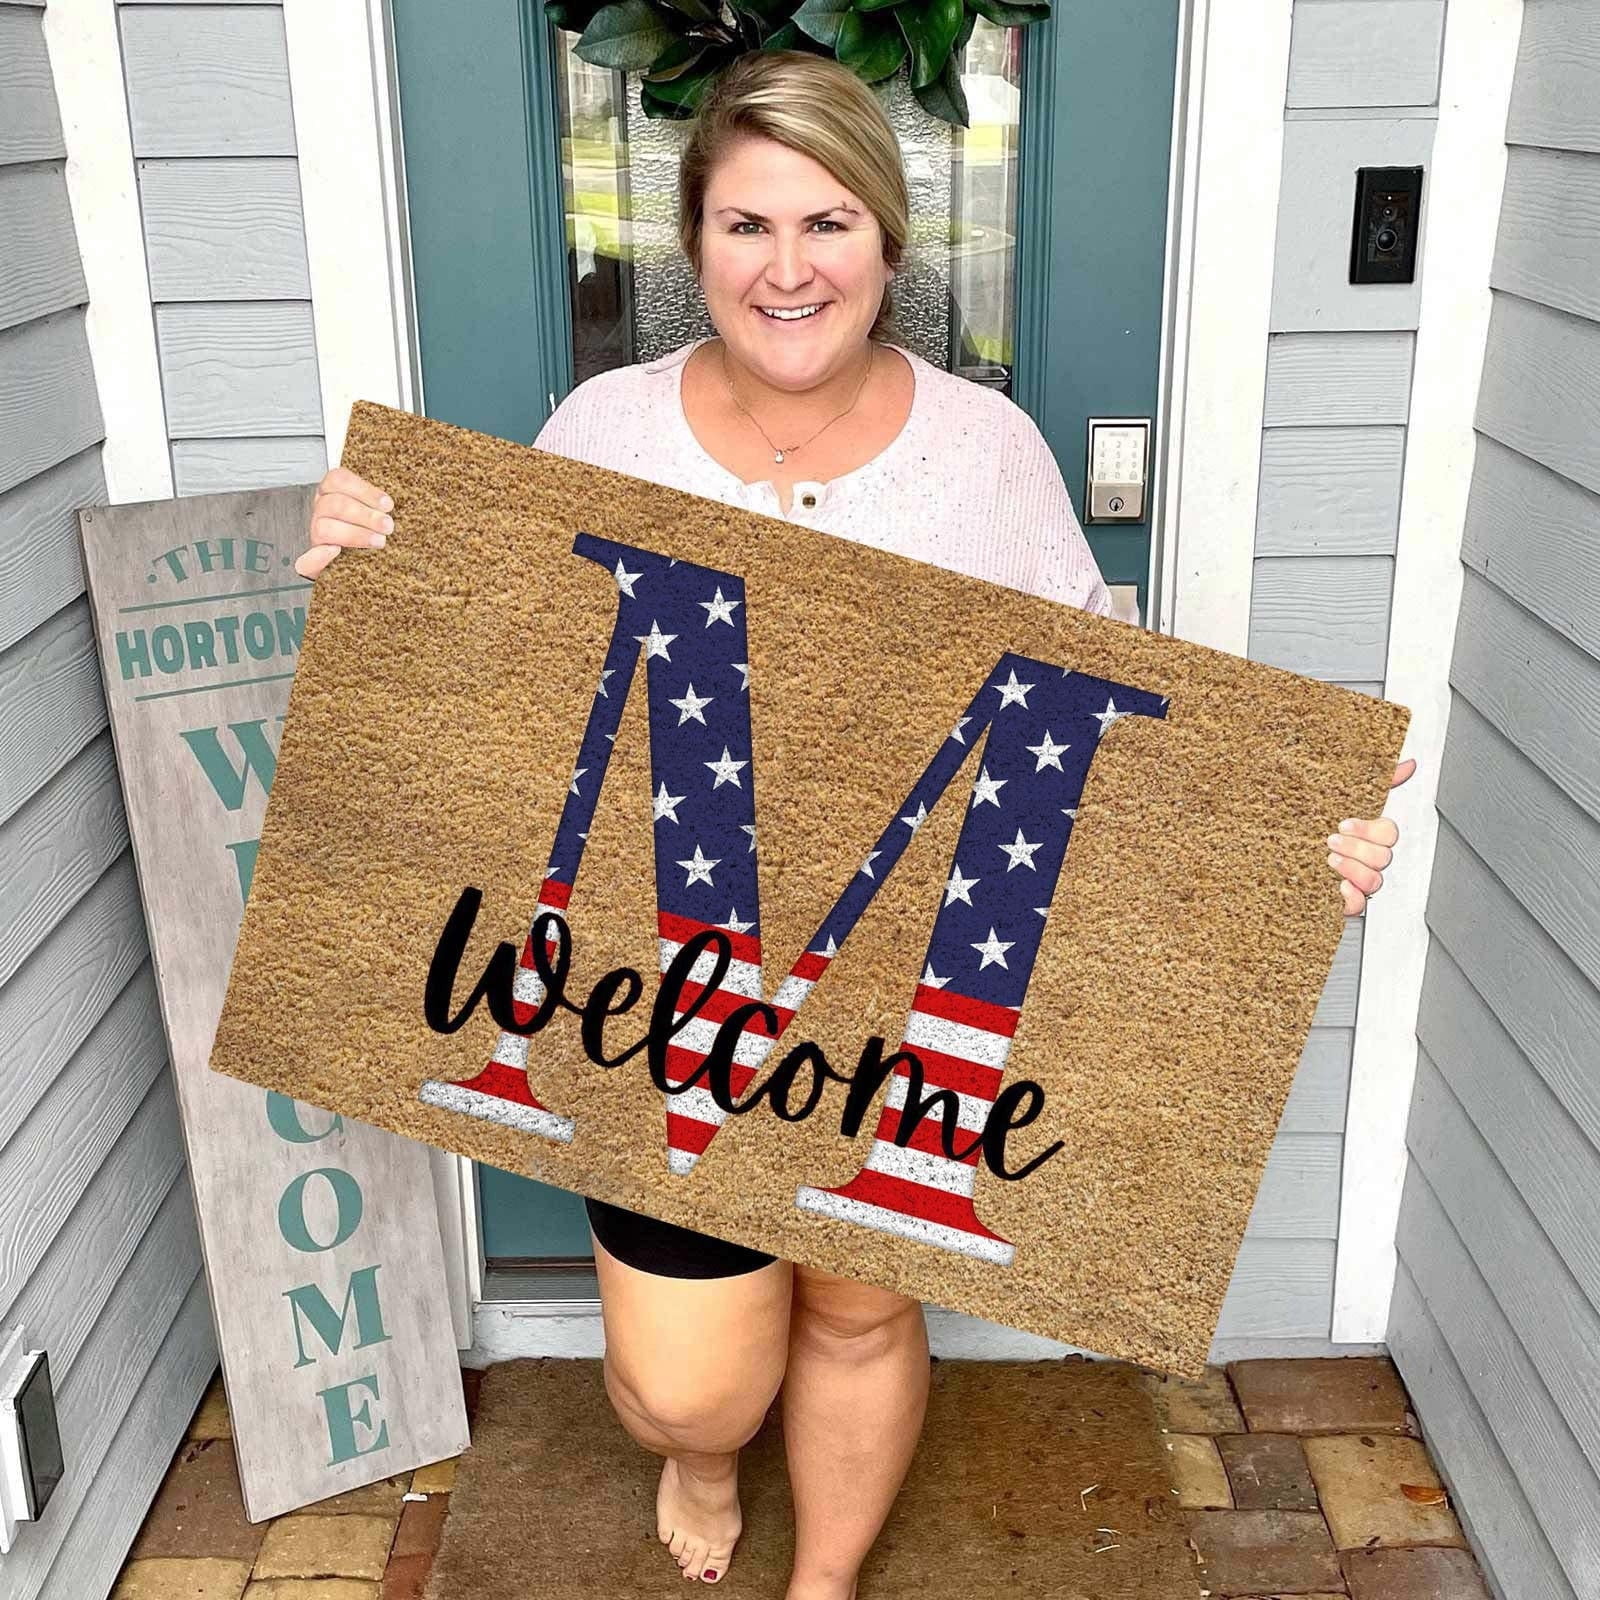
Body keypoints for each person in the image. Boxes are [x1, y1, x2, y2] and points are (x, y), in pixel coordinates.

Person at [296, 49, 1412, 1598]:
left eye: (828, 223)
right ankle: (703, 1454)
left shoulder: (986, 453)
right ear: (693, 249)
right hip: (665, 980)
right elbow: (509, 677)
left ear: (888, 245)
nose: (789, 267)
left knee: (866, 1306)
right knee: (694, 1383)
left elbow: (1109, 730)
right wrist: (384, 555)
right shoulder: (606, 427)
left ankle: (823, 1579)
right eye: (748, 227)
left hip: (901, 975)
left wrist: (1292, 851)